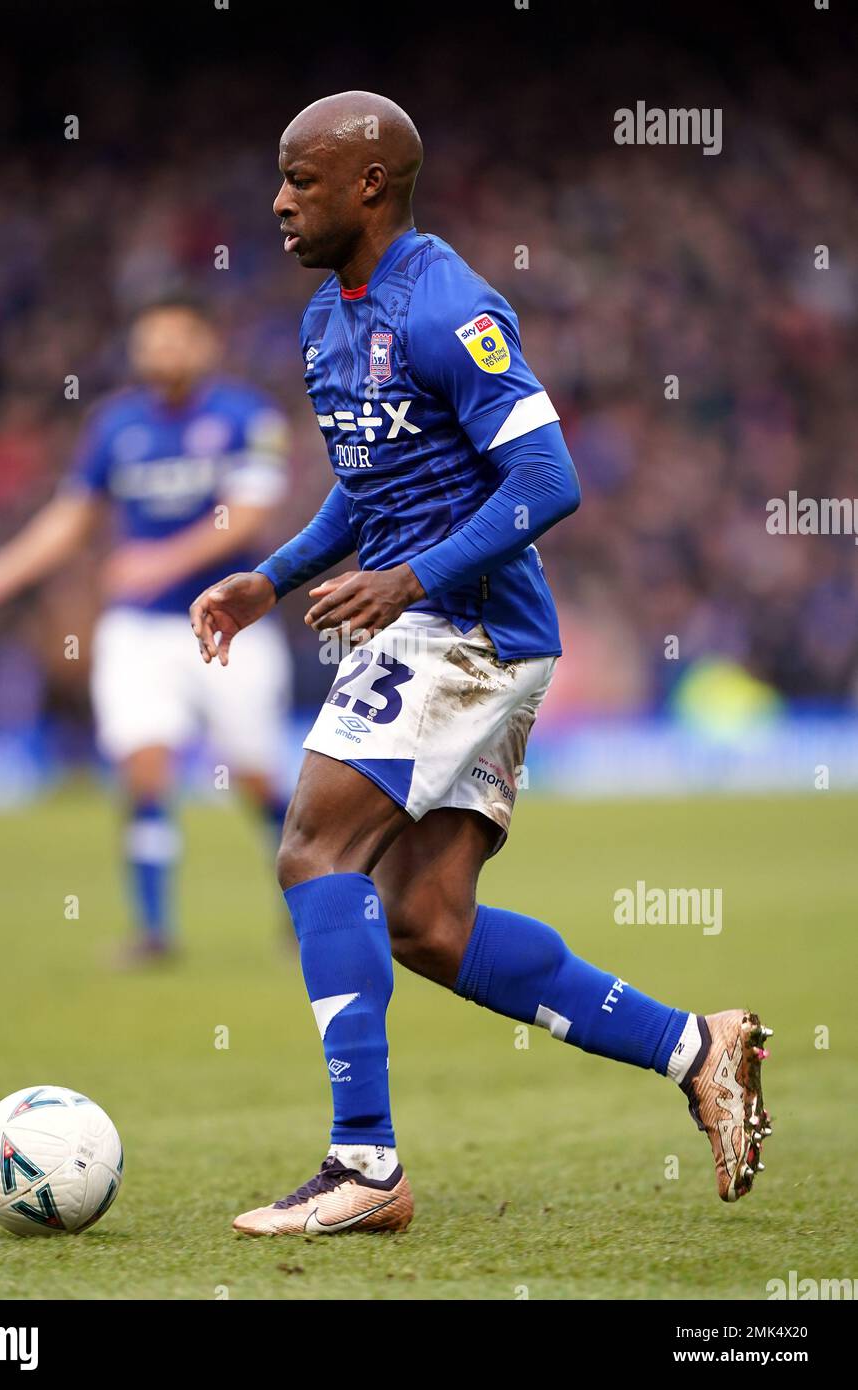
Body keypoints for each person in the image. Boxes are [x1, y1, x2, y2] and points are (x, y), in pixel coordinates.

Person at [190, 93, 772, 1235]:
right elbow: (371, 484)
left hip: (464, 627)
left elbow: (547, 480)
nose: (278, 202)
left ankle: (363, 1164)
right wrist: (274, 577)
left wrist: (407, 582)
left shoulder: (449, 305)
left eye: (300, 179)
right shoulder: (324, 318)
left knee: (313, 848)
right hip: (452, 631)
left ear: (368, 184)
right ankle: (694, 1046)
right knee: (427, 922)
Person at [0, 294, 292, 962]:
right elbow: (70, 519)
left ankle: (303, 909)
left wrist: (162, 559)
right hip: (140, 630)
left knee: (256, 777)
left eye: (177, 337)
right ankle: (154, 933)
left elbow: (248, 514)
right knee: (143, 768)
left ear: (205, 344)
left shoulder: (248, 416)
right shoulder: (115, 424)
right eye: (151, 339)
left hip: (232, 624)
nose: (162, 350)